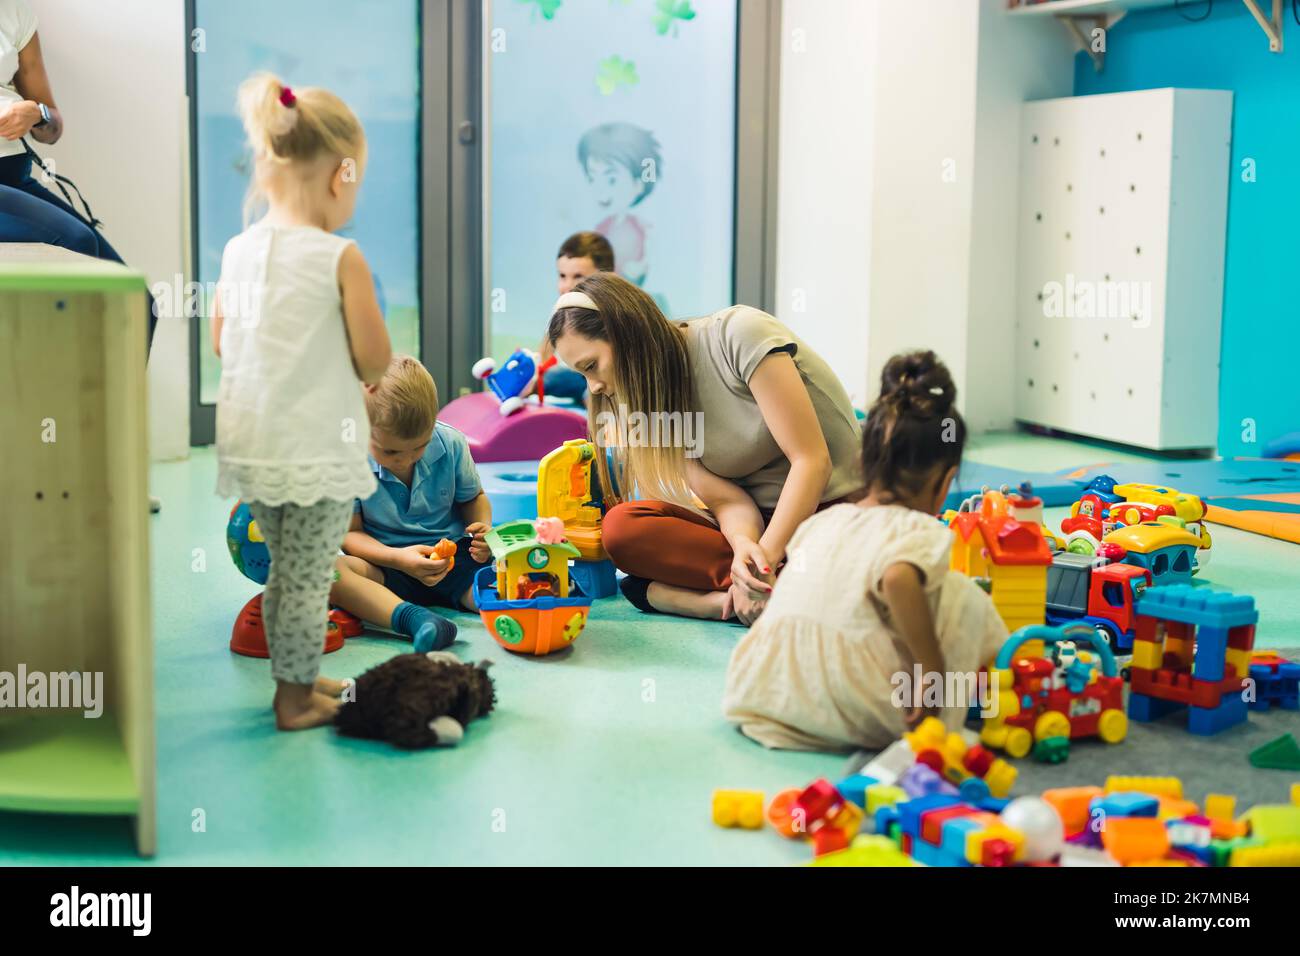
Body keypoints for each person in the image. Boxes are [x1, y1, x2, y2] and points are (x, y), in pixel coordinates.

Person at [212, 73, 391, 730]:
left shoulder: (237, 250)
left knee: (287, 570)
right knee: (310, 577)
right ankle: (294, 701)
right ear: (340, 178)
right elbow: (373, 358)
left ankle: (302, 677)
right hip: (313, 445)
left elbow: (223, 344)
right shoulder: (338, 256)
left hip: (256, 441)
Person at [722, 351, 1009, 751]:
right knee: (964, 598)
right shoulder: (917, 529)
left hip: (764, 693)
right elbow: (897, 577)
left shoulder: (821, 523)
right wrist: (929, 671)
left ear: (862, 463)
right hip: (858, 707)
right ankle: (991, 675)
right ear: (945, 483)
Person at [546, 272, 862, 623]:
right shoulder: (648, 402)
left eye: (591, 366)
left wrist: (765, 561)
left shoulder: (738, 334)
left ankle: (693, 597)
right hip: (763, 526)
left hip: (832, 513)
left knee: (640, 583)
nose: (593, 387)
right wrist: (746, 547)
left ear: (626, 334)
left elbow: (812, 462)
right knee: (622, 528)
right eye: (581, 375)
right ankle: (762, 595)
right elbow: (730, 501)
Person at [0, 0, 157, 348]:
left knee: (140, 304)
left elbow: (52, 126)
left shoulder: (15, 12)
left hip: (14, 174)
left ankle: (107, 402)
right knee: (78, 243)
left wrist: (35, 112)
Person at [330, 355, 493, 650]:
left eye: (419, 447)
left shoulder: (452, 443)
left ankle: (520, 598)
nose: (405, 460)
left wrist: (484, 530)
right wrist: (397, 559)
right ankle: (416, 620)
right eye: (391, 451)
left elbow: (474, 499)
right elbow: (350, 533)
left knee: (507, 579)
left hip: (453, 560)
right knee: (331, 572)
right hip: (386, 564)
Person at [526, 230, 615, 407]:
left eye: (578, 277)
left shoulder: (613, 314)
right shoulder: (561, 311)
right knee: (543, 379)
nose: (567, 286)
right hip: (570, 385)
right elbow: (544, 356)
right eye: (562, 276)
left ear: (608, 278)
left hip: (600, 387)